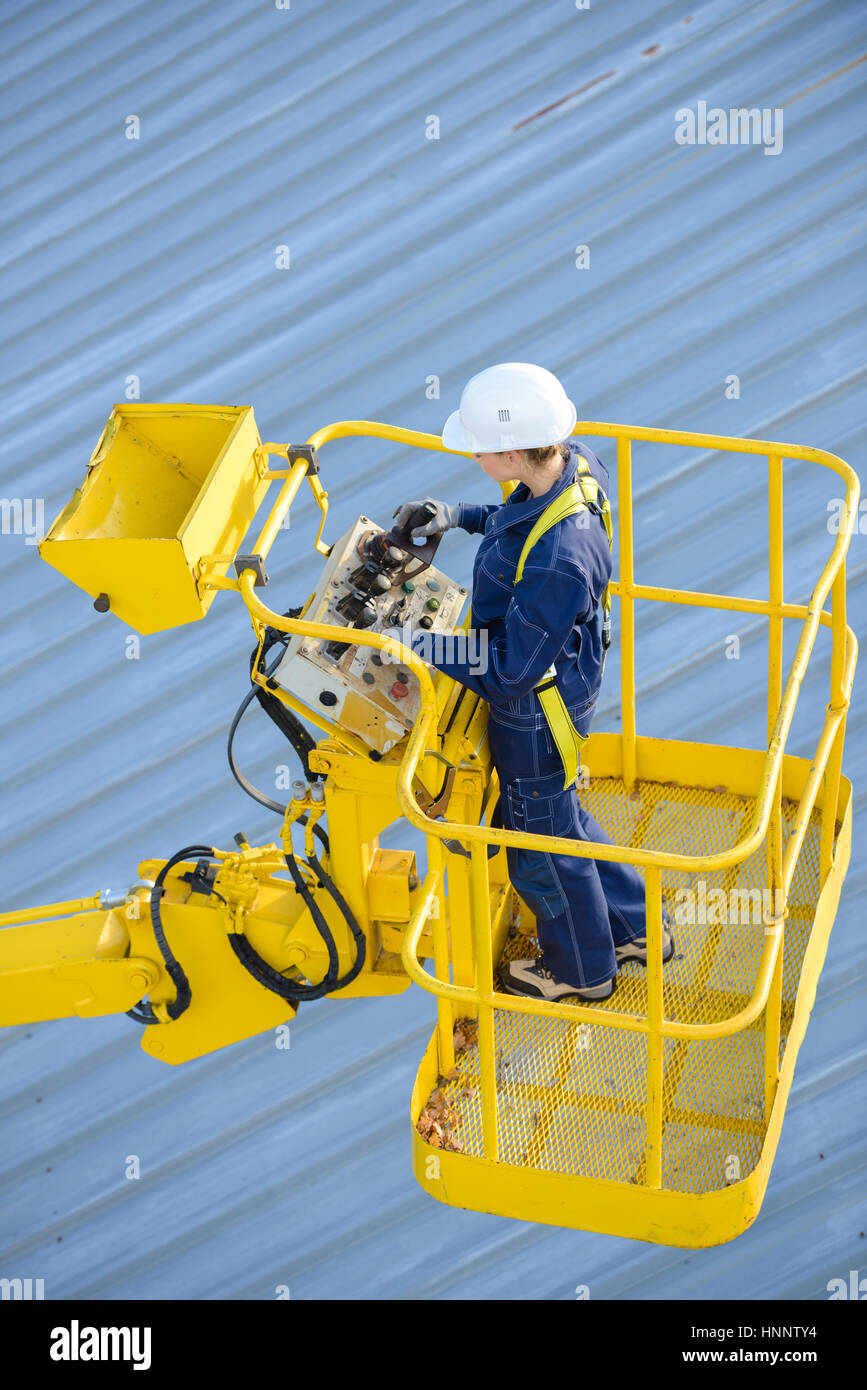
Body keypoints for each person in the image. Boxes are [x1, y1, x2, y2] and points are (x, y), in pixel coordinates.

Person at [390, 362, 673, 1002]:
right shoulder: (575, 468)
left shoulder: (559, 562)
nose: (474, 456)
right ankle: (637, 929)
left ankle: (582, 972)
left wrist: (412, 642)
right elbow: (523, 520)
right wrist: (459, 514)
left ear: (513, 451)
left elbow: (512, 670)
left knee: (540, 843)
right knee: (564, 816)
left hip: (536, 712)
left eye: (479, 449)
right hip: (566, 676)